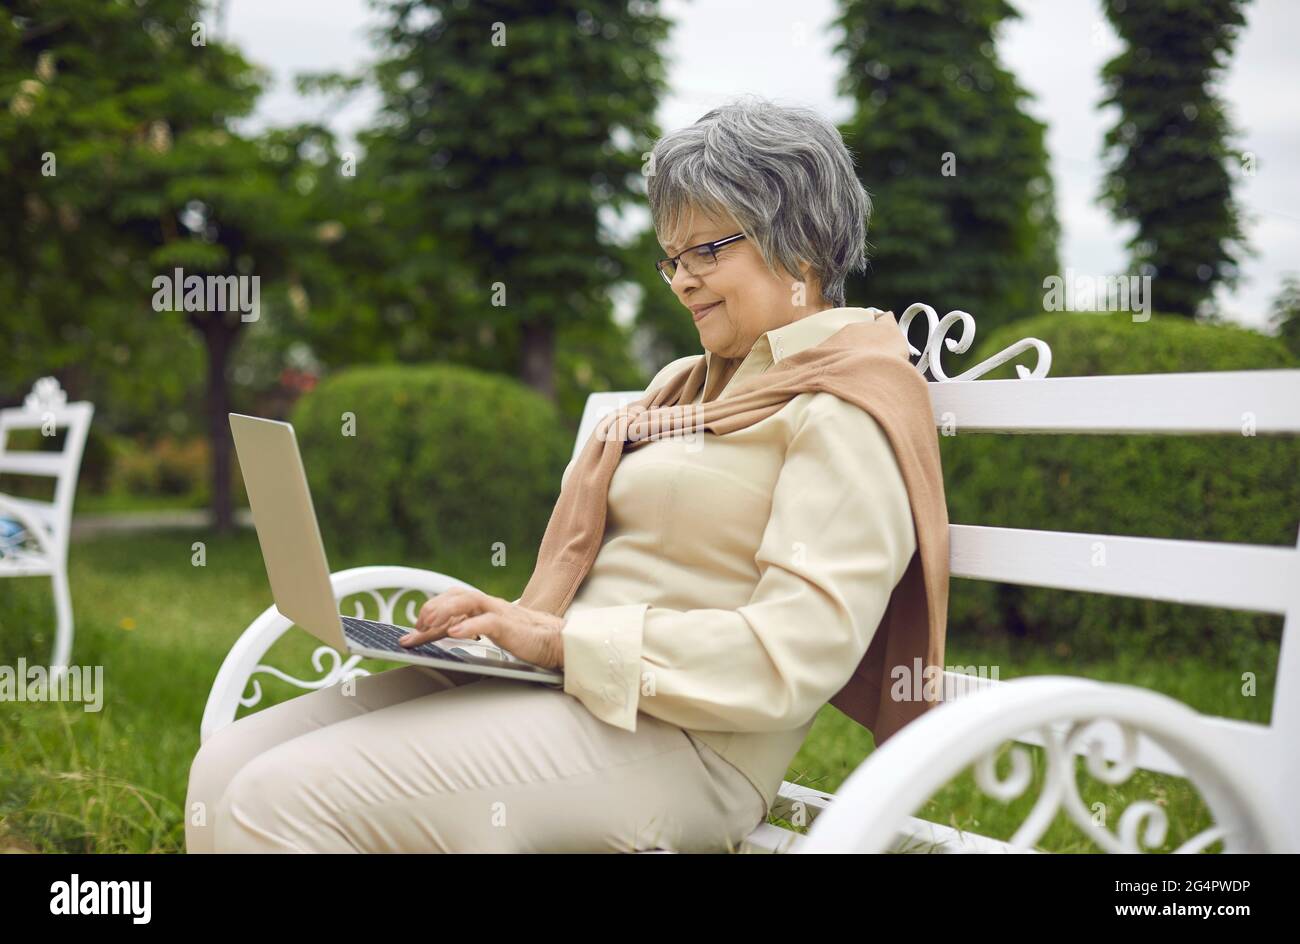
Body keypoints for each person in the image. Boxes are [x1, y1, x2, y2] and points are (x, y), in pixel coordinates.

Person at [185, 95, 921, 853]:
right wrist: (513, 625)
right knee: (224, 771)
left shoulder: (845, 406)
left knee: (274, 801)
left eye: (708, 251)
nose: (682, 281)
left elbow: (791, 655)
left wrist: (561, 640)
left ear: (800, 244)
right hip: (569, 687)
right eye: (672, 258)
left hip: (690, 742)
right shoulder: (687, 385)